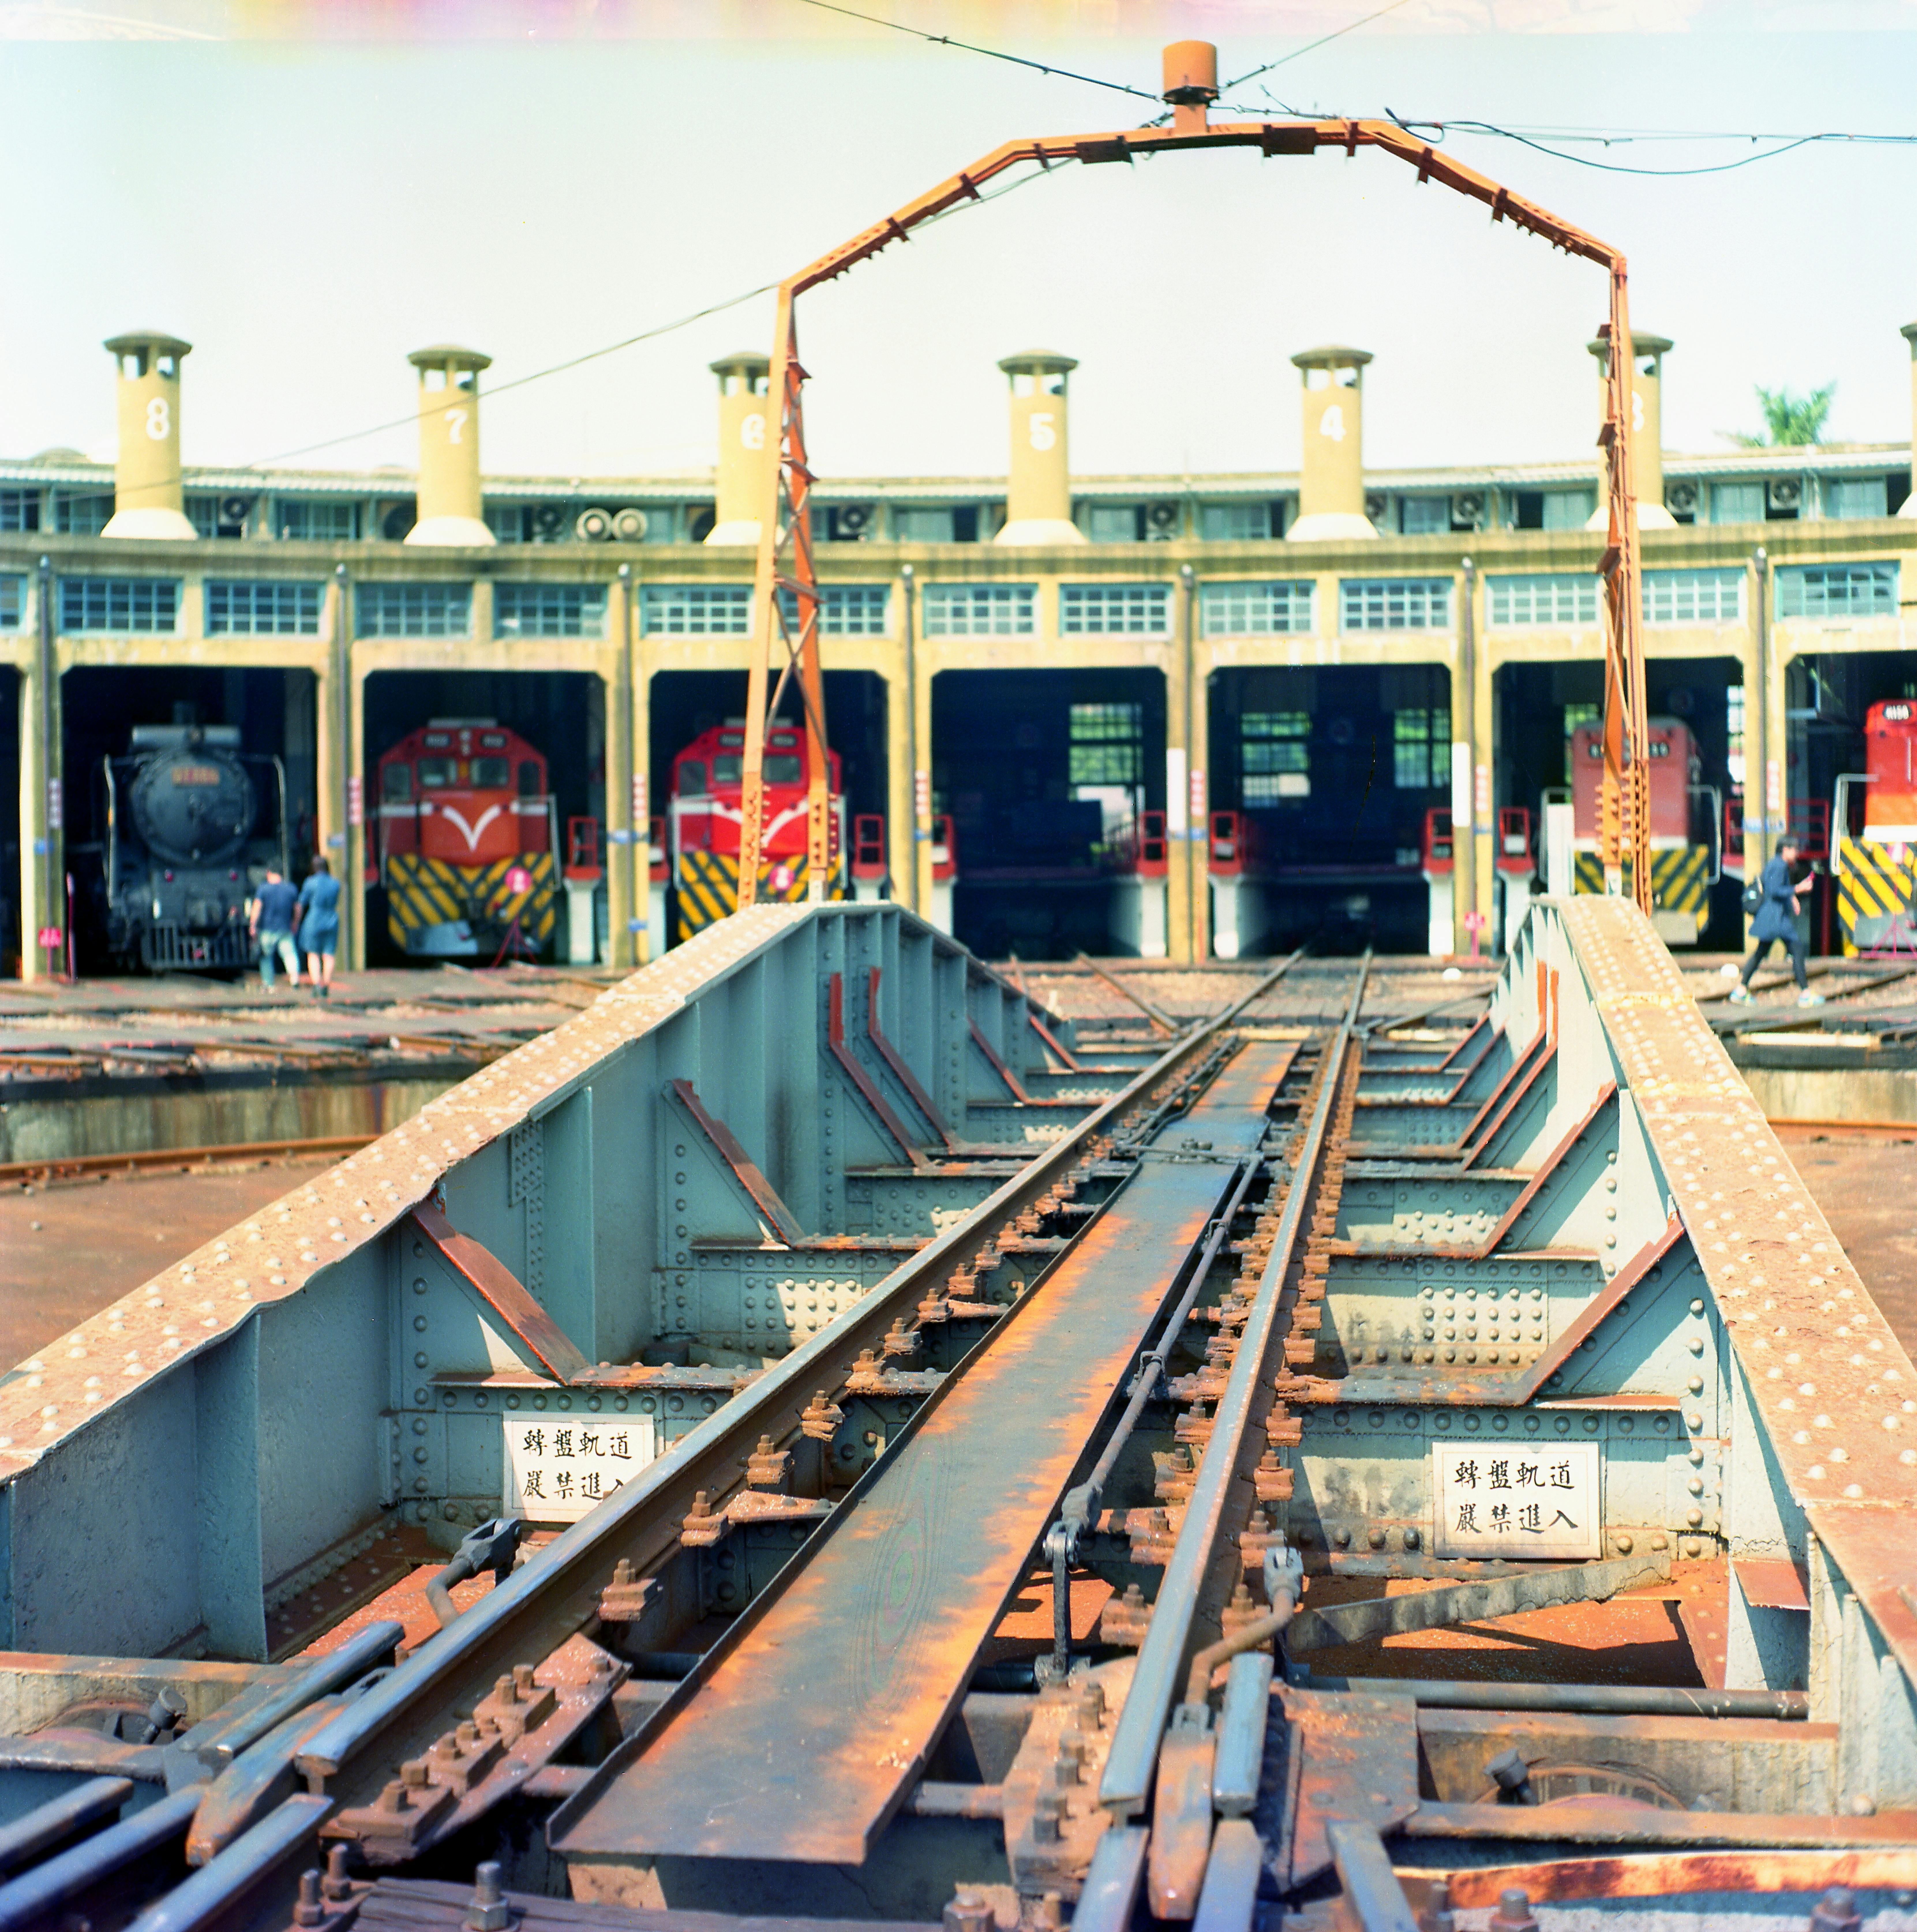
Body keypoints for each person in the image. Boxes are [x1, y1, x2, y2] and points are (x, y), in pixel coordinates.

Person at [1729, 834, 1822, 1008]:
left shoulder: (1776, 864)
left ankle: (1741, 991)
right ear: (1785, 850)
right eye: (1794, 849)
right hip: (1776, 918)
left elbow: (1778, 889)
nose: (1796, 853)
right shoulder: (1779, 866)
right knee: (1797, 950)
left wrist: (1793, 897)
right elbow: (1774, 891)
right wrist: (1798, 889)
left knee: (1761, 953)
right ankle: (1805, 994)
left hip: (1773, 917)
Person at [247, 866, 300, 991]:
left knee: (266, 957)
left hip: (267, 929)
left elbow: (257, 908)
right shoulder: (291, 888)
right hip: (285, 928)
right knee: (289, 955)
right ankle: (295, 980)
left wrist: (253, 926)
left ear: (269, 873)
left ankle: (268, 984)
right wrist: (295, 923)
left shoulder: (263, 889)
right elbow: (298, 909)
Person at [296, 855, 342, 997]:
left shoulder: (310, 882)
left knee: (313, 954)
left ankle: (317, 984)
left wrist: (296, 921)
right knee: (329, 954)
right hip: (331, 919)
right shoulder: (336, 883)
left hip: (314, 920)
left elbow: (301, 904)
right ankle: (326, 984)